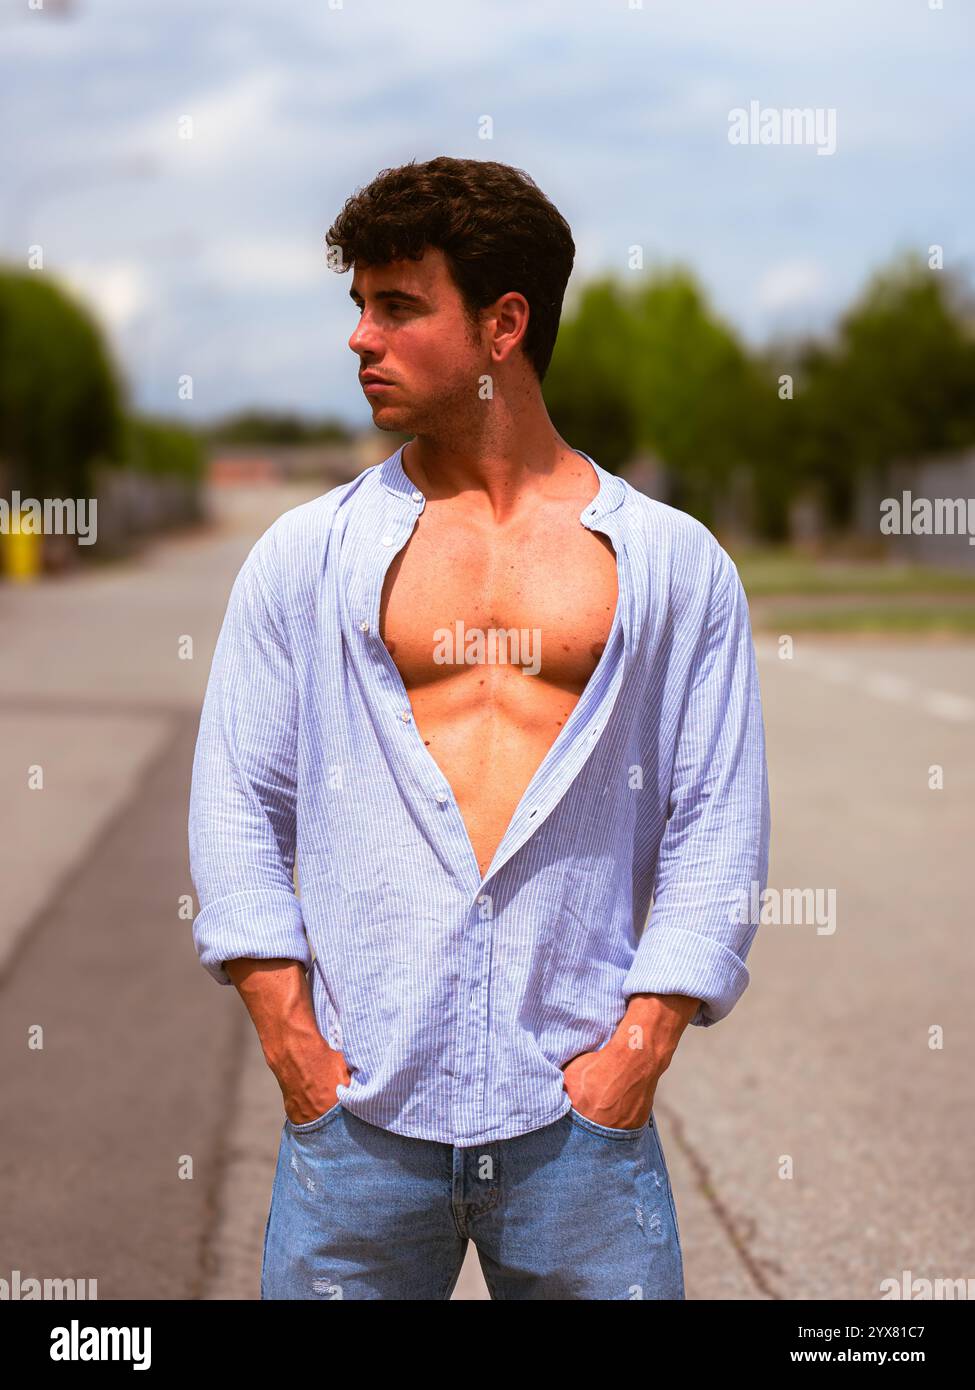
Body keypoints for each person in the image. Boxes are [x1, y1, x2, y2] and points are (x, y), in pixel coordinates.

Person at [187, 156, 771, 1300]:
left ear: (505, 324)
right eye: (359, 305)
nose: (362, 337)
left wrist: (642, 1047)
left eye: (399, 306)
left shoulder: (672, 566)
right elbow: (236, 801)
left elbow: (718, 816)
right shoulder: (305, 558)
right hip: (359, 1123)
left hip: (577, 1129)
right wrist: (289, 1037)